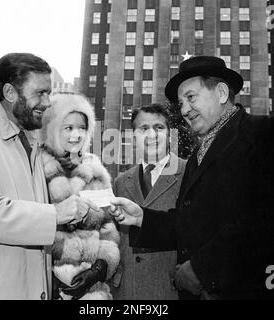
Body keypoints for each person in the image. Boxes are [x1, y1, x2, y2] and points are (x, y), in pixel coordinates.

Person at [110, 55, 274, 300]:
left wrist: (201, 268)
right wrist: (143, 218)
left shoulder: (262, 134)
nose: (184, 110)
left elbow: (263, 217)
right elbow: (189, 223)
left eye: (191, 98)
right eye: (180, 103)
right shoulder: (199, 155)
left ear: (220, 93)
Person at [0, 53, 98, 300]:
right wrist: (57, 213)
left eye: (48, 92)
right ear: (10, 93)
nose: (48, 101)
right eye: (39, 93)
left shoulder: (29, 142)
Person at [40, 94, 120, 300]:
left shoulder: (95, 169)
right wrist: (50, 273)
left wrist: (101, 268)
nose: (77, 134)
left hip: (91, 290)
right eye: (68, 128)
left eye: (82, 128)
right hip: (44, 284)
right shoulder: (35, 168)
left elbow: (108, 227)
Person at [111, 104, 186, 300]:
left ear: (170, 134)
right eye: (144, 128)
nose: (152, 134)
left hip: (169, 290)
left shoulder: (189, 173)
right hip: (127, 292)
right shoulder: (120, 182)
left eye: (159, 127)